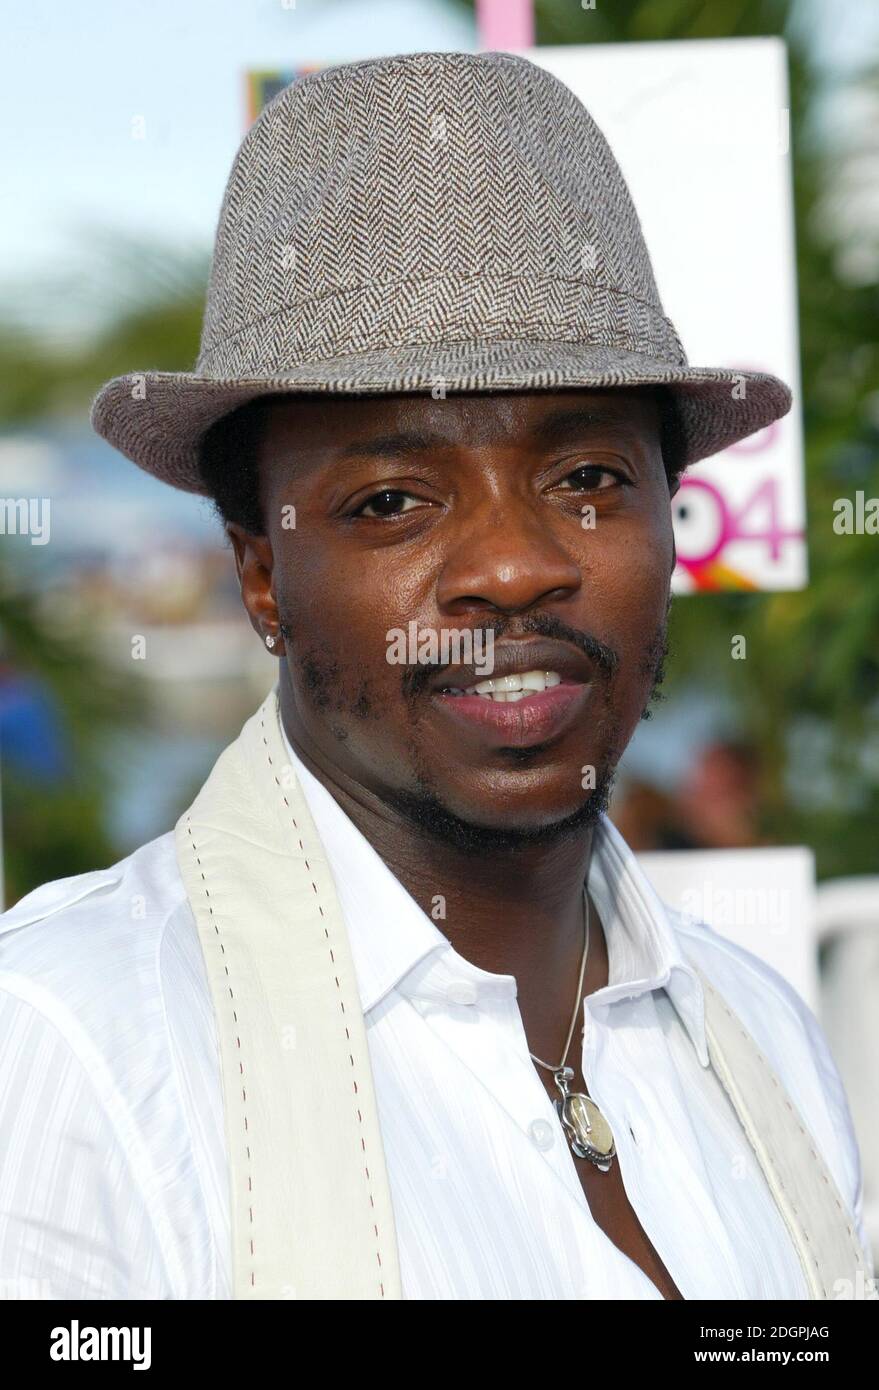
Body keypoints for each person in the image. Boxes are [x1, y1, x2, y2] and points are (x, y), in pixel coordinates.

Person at [0, 50, 871, 1301]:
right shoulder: (77, 1049)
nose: (515, 569)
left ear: (672, 524)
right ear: (260, 576)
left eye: (587, 480)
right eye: (393, 500)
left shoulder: (763, 1037)